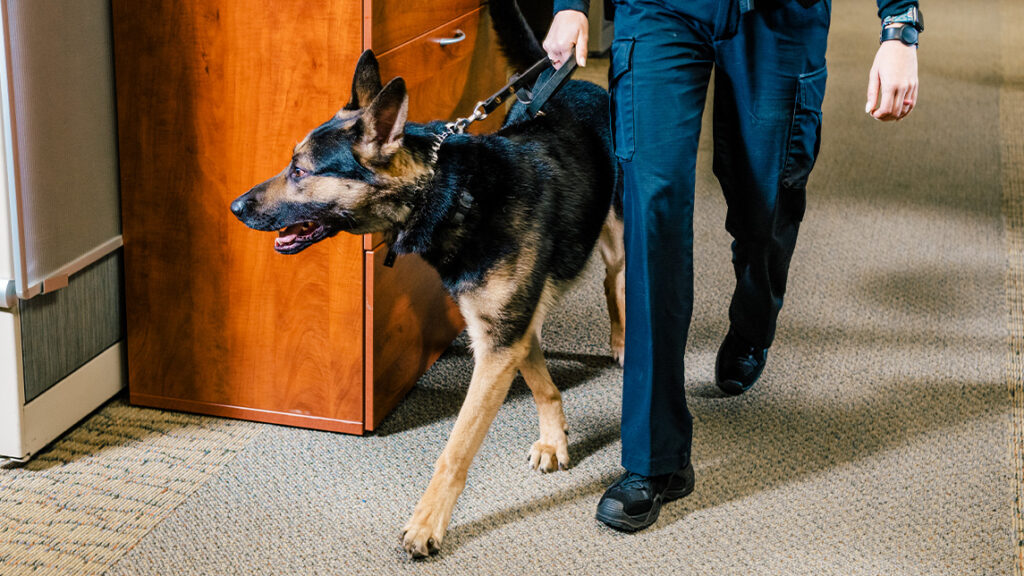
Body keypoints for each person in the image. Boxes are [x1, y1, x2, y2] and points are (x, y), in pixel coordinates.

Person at [543, 0, 922, 532]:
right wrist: (570, 6)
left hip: (779, 16)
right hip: (660, 10)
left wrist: (899, 26)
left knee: (764, 205)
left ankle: (753, 321)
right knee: (653, 208)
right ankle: (656, 460)